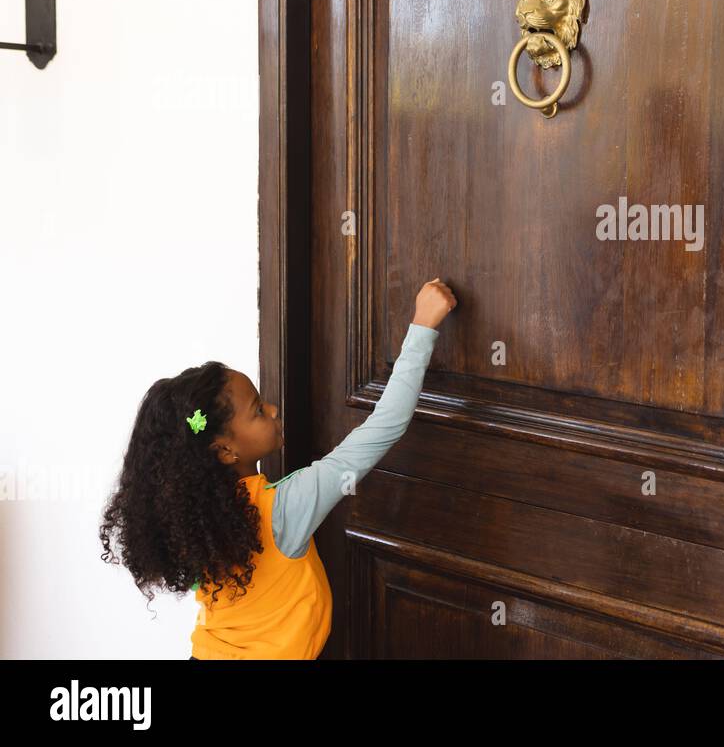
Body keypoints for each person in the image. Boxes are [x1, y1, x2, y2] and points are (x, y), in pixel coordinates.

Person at [99, 278, 457, 659]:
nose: (272, 410)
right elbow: (385, 426)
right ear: (224, 449)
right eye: (257, 410)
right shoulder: (282, 509)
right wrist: (422, 325)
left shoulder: (192, 522)